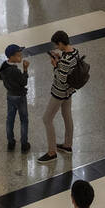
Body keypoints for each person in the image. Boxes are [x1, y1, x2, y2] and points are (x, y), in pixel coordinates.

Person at [37, 30, 78, 163]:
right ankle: (67, 145)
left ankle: (51, 152)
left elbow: (61, 78)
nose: (56, 48)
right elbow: (68, 70)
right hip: (69, 91)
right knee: (67, 115)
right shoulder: (74, 52)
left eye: (56, 45)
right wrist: (59, 60)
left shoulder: (65, 60)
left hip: (59, 92)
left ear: (61, 43)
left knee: (47, 119)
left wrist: (55, 66)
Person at [0, 44, 31, 153]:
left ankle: (11, 142)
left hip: (10, 96)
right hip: (20, 97)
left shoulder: (4, 66)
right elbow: (24, 82)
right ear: (11, 57)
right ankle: (24, 144)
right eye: (18, 55)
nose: (21, 57)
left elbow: (1, 78)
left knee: (10, 119)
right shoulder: (15, 71)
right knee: (23, 120)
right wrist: (25, 70)